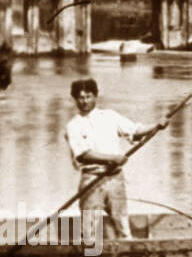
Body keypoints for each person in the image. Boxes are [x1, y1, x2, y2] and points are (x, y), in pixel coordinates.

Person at [65, 79, 164, 244]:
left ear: (95, 96)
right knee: (89, 231)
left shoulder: (110, 116)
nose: (84, 101)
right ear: (75, 99)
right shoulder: (73, 125)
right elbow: (83, 155)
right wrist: (113, 158)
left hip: (115, 179)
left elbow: (136, 131)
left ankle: (127, 254)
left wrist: (156, 126)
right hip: (91, 180)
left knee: (122, 225)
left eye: (88, 96)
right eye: (80, 98)